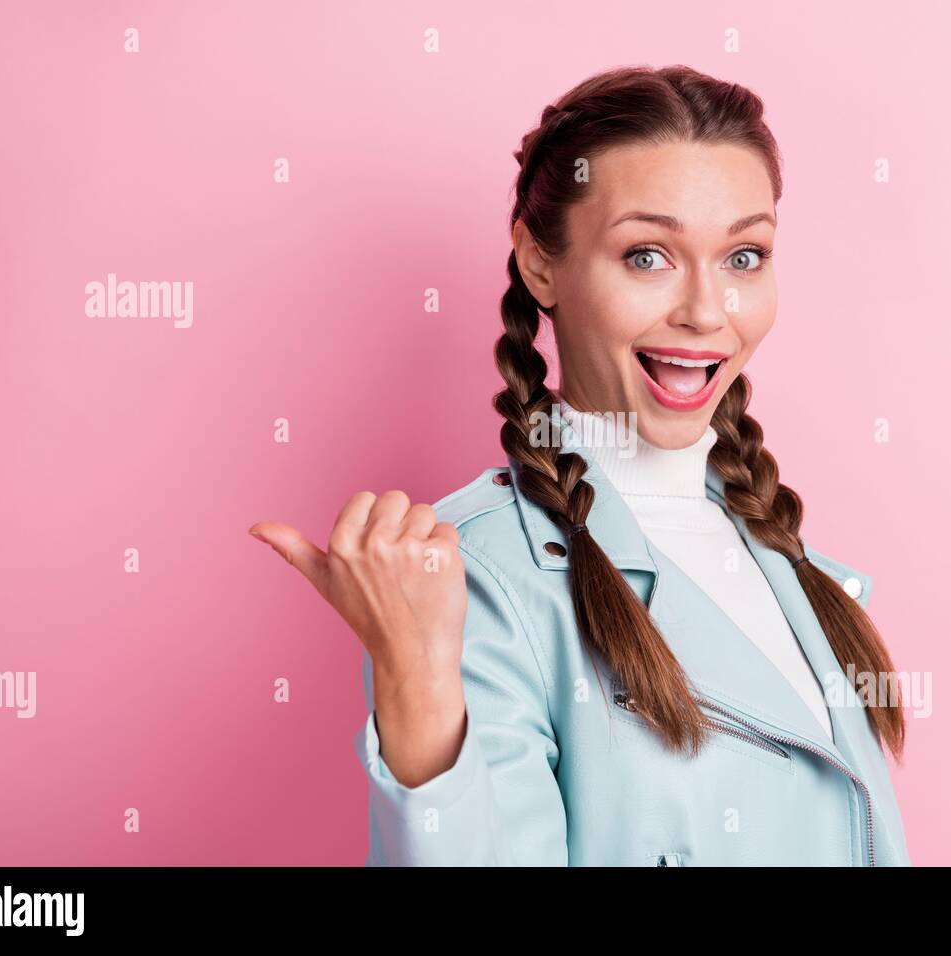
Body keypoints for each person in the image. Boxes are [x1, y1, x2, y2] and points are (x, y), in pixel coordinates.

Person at [249, 64, 911, 866]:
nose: (707, 311)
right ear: (539, 265)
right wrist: (417, 688)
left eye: (743, 257)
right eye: (646, 256)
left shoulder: (777, 552)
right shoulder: (475, 576)